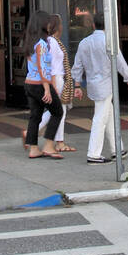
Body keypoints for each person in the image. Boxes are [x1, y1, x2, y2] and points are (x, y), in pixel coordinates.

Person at [72, 11, 128, 163]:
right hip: (106, 84)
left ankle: (117, 149)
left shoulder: (84, 43)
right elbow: (120, 63)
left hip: (93, 85)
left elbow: (77, 66)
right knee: (100, 119)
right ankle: (94, 154)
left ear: (93, 25)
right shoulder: (109, 41)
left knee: (109, 115)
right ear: (107, 26)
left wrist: (77, 85)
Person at [21, 10, 63, 160]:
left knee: (35, 116)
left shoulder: (30, 42)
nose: (50, 24)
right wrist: (48, 88)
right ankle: (49, 145)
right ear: (43, 24)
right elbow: (42, 67)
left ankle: (33, 148)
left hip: (29, 84)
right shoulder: (42, 44)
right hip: (40, 84)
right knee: (58, 111)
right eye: (47, 21)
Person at [39, 13, 75, 153]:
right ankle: (58, 142)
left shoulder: (52, 41)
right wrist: (53, 86)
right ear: (57, 26)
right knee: (59, 111)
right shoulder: (52, 42)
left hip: (59, 79)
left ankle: (58, 141)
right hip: (57, 79)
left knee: (58, 111)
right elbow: (52, 66)